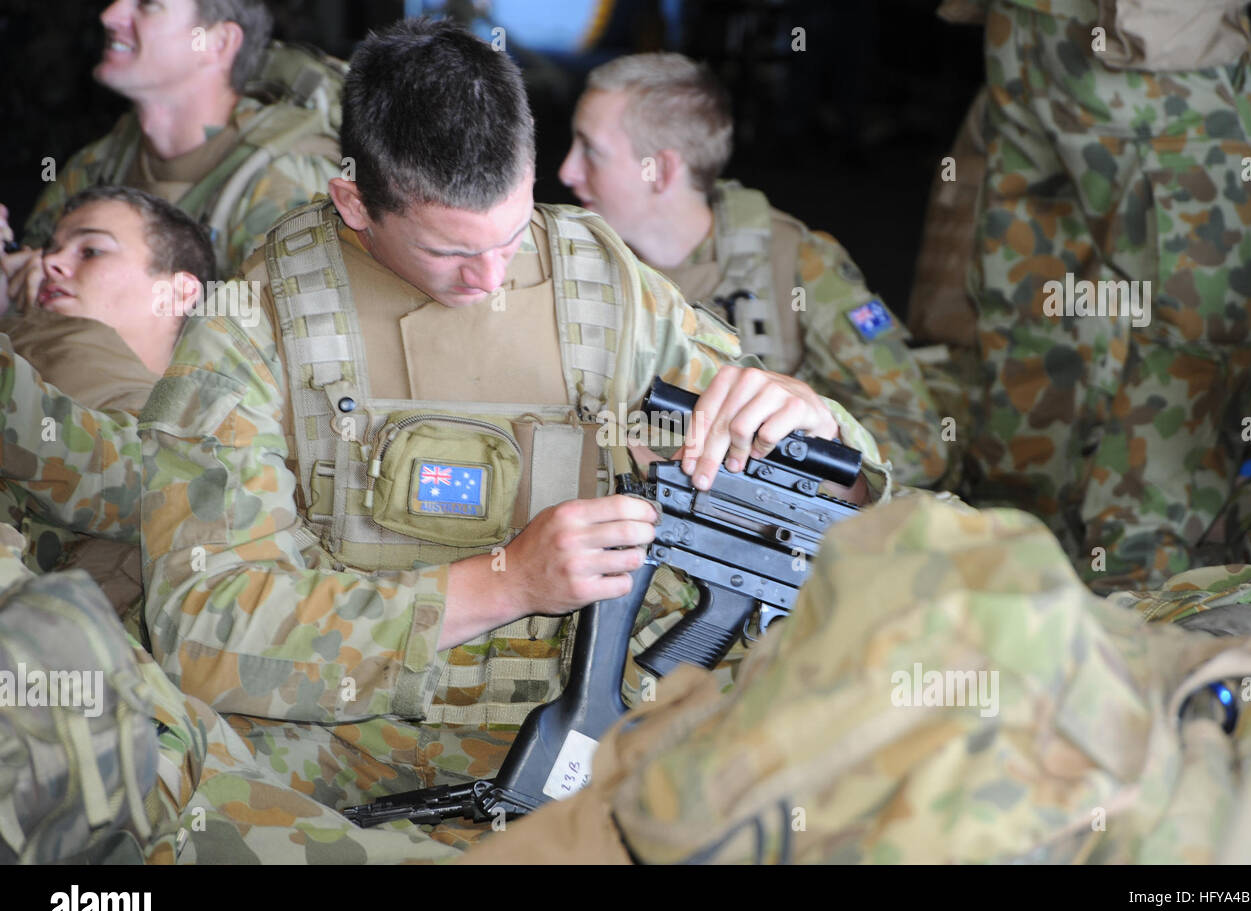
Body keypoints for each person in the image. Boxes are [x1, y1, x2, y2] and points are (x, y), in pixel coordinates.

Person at [137, 18, 888, 844]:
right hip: (342, 759)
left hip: (607, 747)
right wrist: (505, 583)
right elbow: (204, 627)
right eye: (450, 252)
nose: (492, 277)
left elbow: (828, 488)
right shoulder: (254, 329)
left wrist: (820, 429)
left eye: (513, 231)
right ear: (354, 201)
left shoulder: (600, 281)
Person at [962, 0, 1251, 592]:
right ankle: (1131, 580)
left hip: (1025, 27)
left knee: (1044, 293)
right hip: (1152, 39)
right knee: (1206, 317)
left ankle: (1011, 549)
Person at [558, 52, 948, 489]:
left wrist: (791, 463)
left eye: (591, 151)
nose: (567, 171)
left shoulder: (796, 265)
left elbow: (919, 441)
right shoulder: (576, 268)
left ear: (661, 170)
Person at [1, 0, 339, 299]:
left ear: (217, 43)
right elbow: (31, 277)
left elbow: (284, 353)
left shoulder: (287, 178)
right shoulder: (100, 162)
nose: (109, 15)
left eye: (147, 4)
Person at [0, 185, 215, 625]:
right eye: (52, 249)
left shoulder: (185, 434)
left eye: (91, 251)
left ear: (177, 292)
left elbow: (154, 478)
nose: (50, 262)